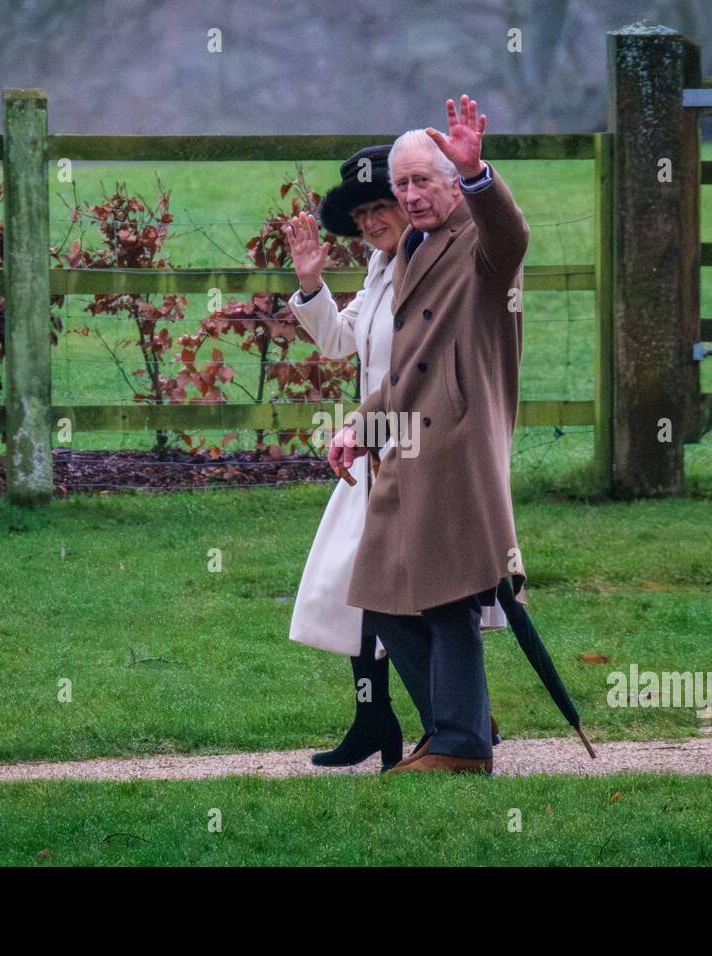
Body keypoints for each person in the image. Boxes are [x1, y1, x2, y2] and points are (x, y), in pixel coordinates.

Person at [284, 145, 506, 773]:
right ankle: (405, 719)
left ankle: (453, 726)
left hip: (428, 449)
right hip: (374, 452)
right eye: (362, 214)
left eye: (383, 204)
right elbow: (339, 340)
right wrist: (310, 282)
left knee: (418, 591)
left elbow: (429, 362)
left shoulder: (438, 263)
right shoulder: (384, 269)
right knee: (367, 591)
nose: (374, 220)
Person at [327, 95, 529, 774]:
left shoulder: (480, 239)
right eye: (403, 183)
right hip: (406, 439)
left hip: (459, 445)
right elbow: (415, 364)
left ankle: (462, 746)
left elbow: (512, 235)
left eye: (424, 182)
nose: (410, 196)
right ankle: (460, 720)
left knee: (447, 596)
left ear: (451, 183)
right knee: (382, 593)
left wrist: (479, 177)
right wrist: (360, 426)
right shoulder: (413, 248)